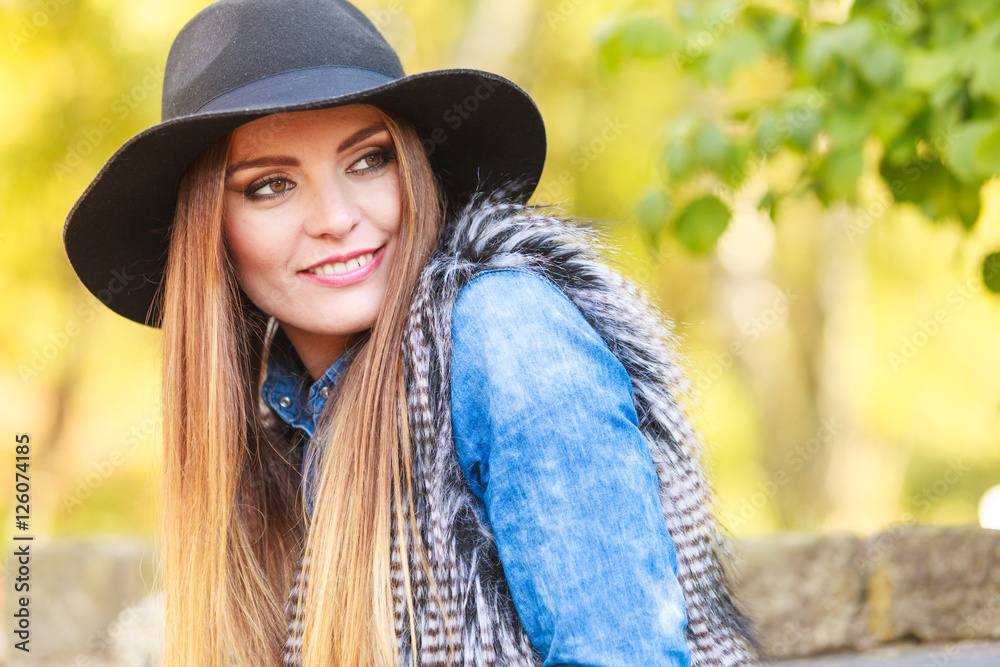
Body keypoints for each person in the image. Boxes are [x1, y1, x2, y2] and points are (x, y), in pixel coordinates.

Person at [62, 0, 758, 665]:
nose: (336, 216)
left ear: (415, 170)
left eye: (369, 159)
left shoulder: (507, 330)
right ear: (208, 231)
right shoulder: (282, 424)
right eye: (270, 184)